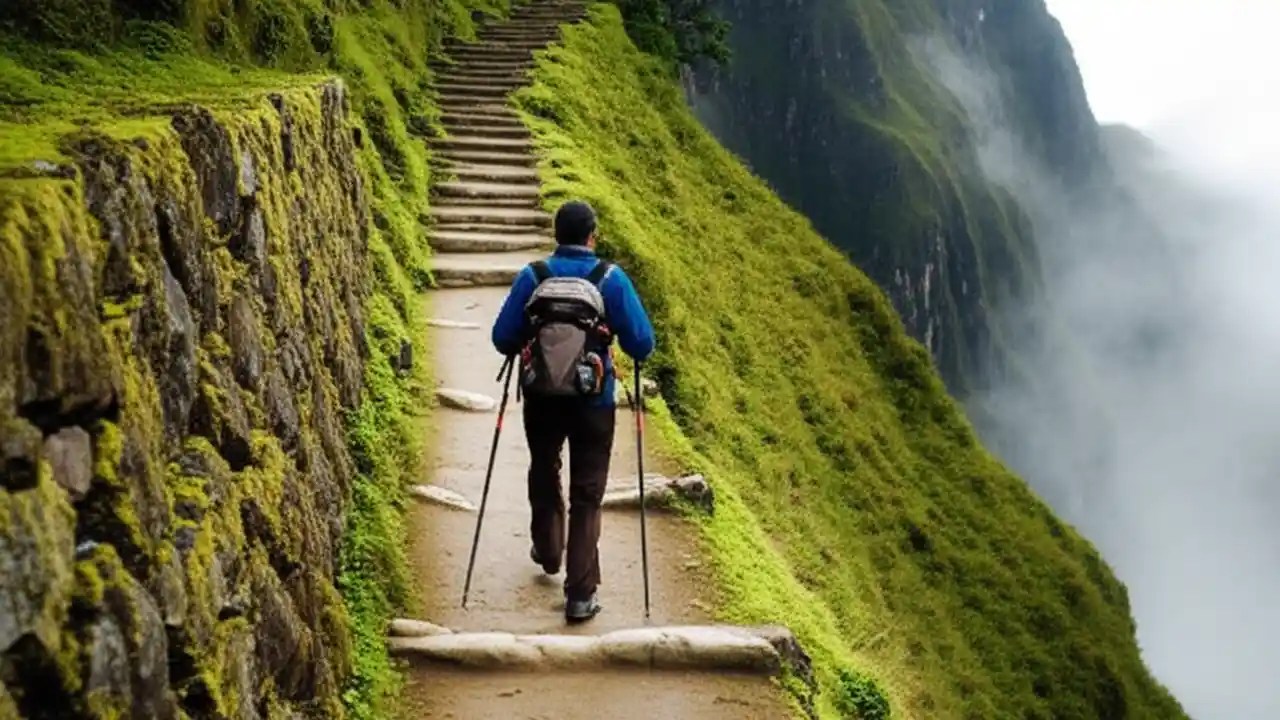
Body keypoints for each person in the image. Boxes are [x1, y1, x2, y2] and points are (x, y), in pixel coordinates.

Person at [491, 200, 655, 622]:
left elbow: (502, 337)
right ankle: (581, 595)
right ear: (591, 236)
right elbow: (641, 343)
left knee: (544, 468)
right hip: (593, 401)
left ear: (556, 236)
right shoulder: (610, 279)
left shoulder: (534, 276)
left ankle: (548, 550)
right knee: (588, 492)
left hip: (542, 397)